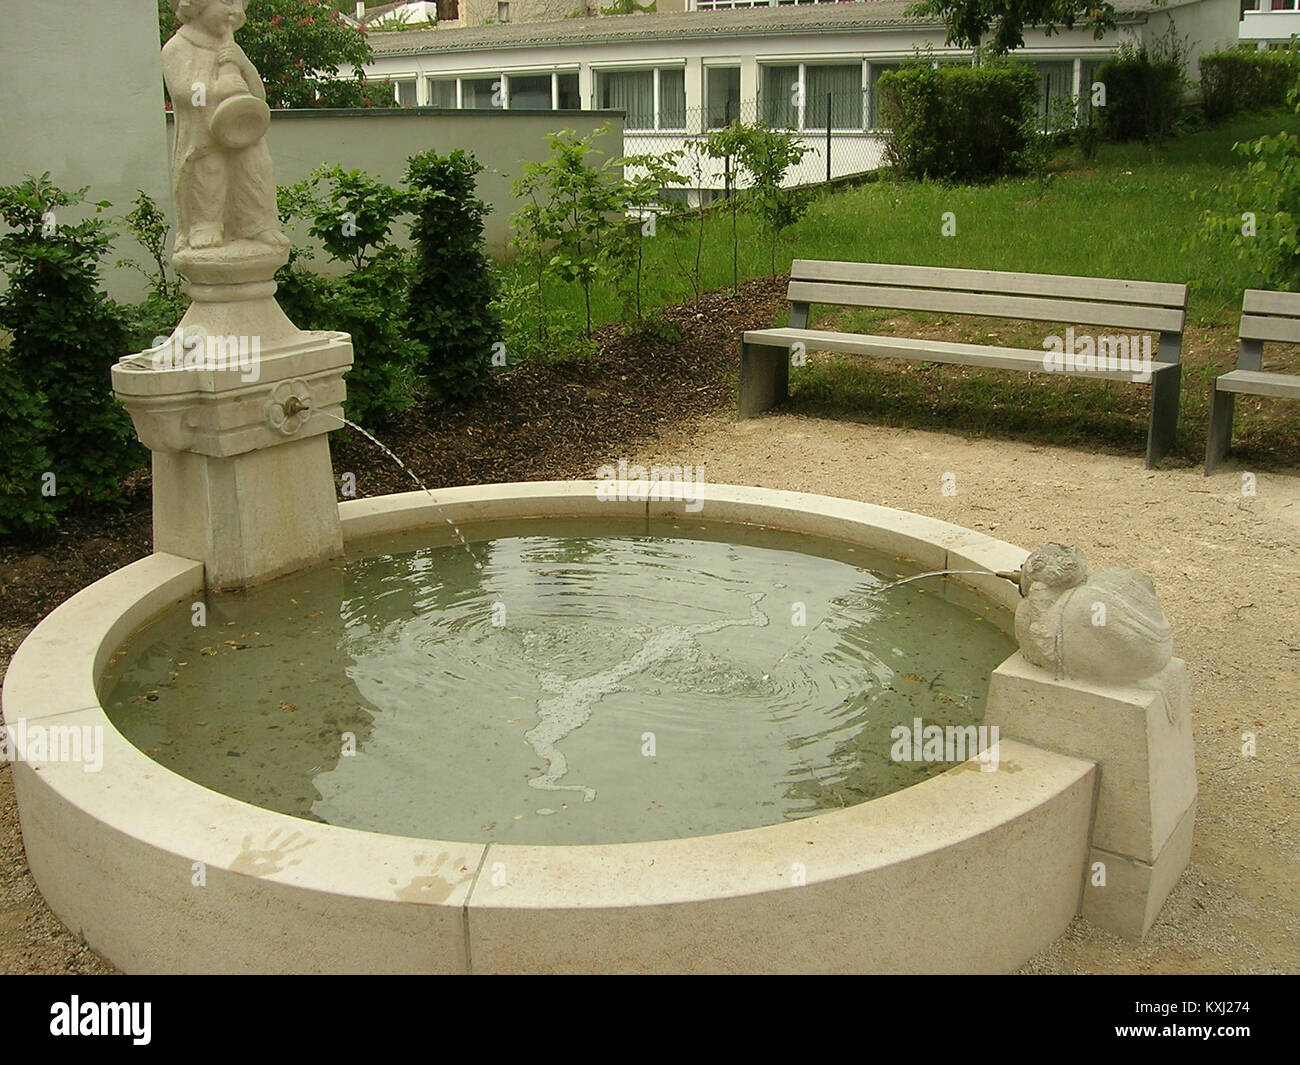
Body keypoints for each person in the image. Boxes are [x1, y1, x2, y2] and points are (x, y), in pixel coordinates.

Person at [161, 0, 288, 255]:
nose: (236, 12)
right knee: (209, 169)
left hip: (240, 131)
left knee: (255, 165)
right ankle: (204, 224)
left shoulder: (232, 48)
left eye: (241, 5)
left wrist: (243, 64)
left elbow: (258, 95)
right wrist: (219, 88)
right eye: (228, 2)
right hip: (204, 135)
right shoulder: (177, 48)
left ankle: (257, 224)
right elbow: (185, 93)